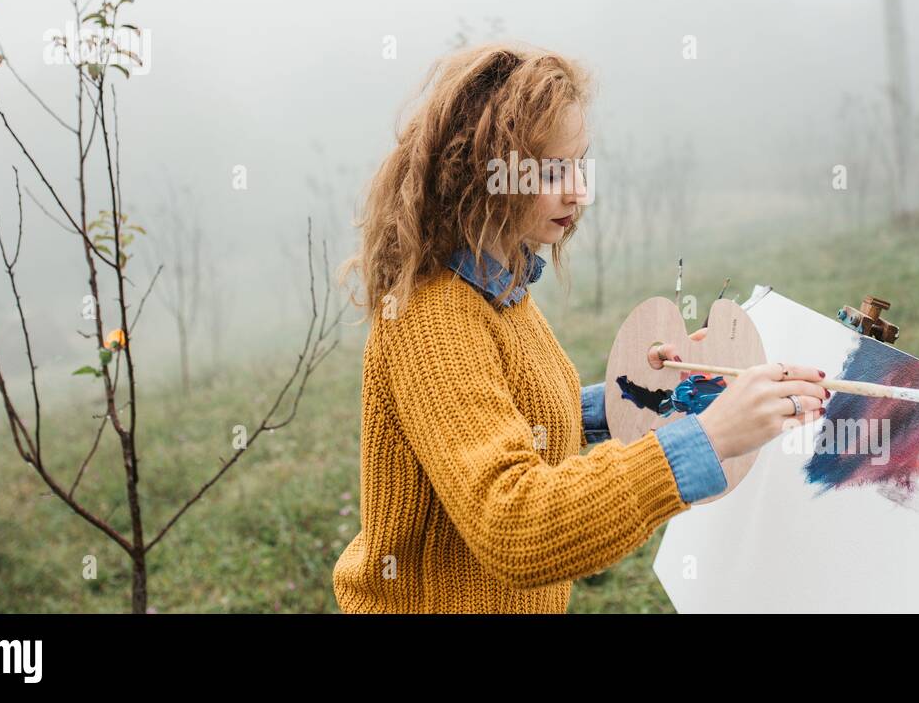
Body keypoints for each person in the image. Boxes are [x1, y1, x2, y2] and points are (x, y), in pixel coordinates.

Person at [331, 43, 827, 613]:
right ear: (480, 177)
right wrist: (709, 439)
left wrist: (642, 395)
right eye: (549, 171)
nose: (577, 191)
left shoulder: (500, 290)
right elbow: (511, 522)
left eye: (578, 165)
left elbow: (517, 412)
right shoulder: (432, 318)